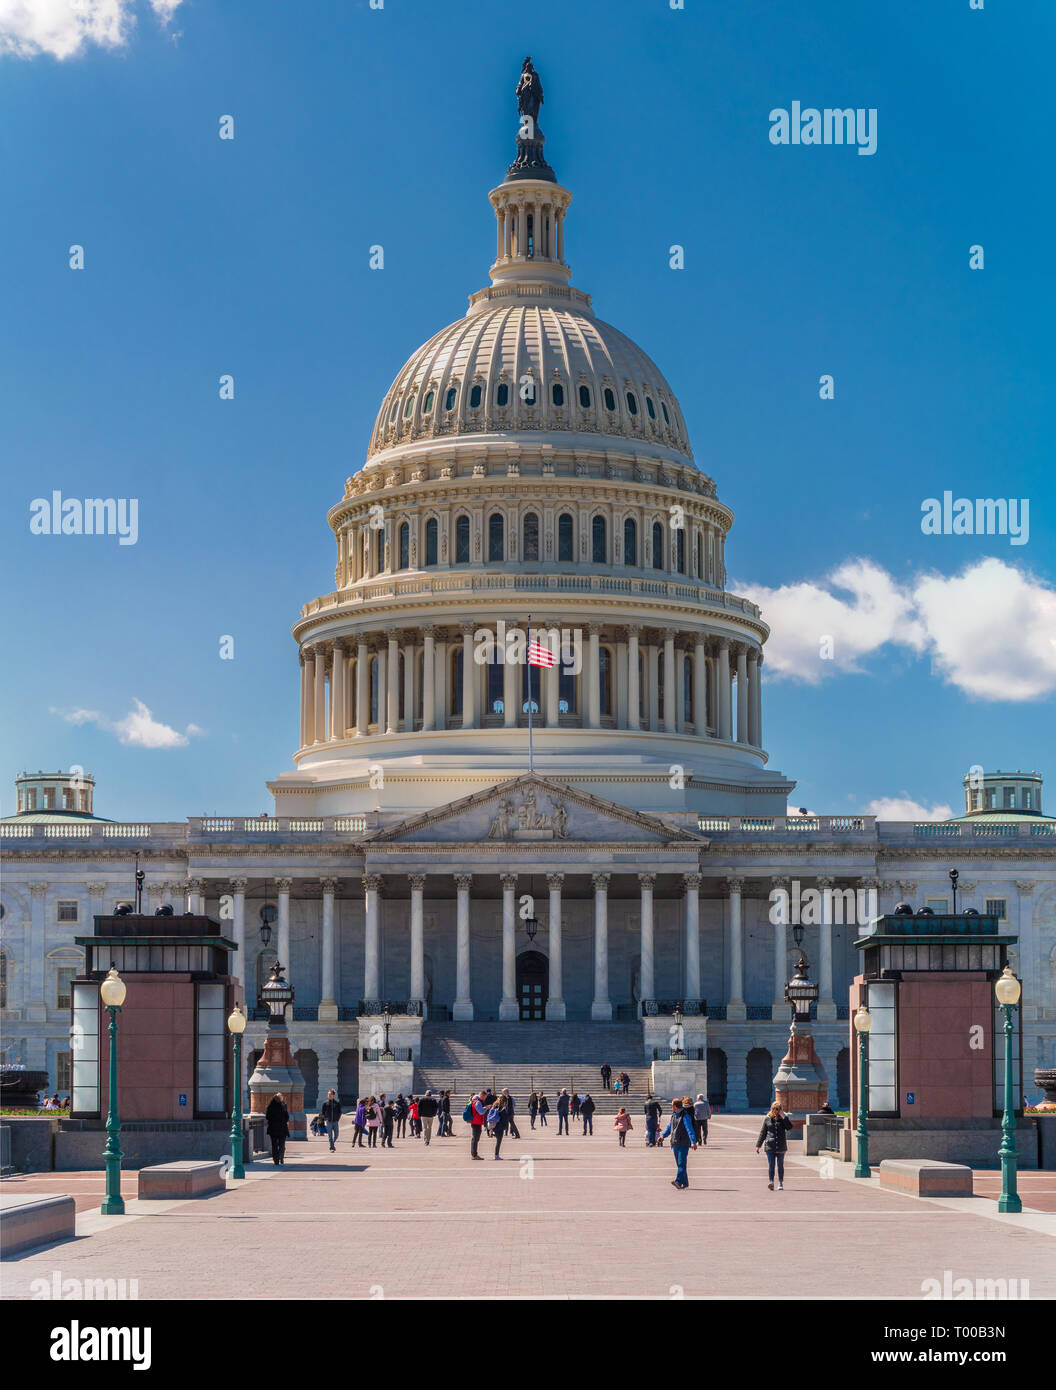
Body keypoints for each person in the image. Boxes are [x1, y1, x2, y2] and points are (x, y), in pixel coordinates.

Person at [660, 1097, 698, 1189]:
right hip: (675, 1142)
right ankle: (685, 1183)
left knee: (681, 1163)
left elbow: (690, 1129)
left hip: (683, 1143)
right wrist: (663, 1136)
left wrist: (693, 1141)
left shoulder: (685, 1116)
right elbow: (670, 1127)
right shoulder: (673, 1115)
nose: (671, 1107)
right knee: (680, 1164)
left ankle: (678, 1181)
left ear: (675, 1106)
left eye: (672, 1105)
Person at [756, 1102, 793, 1190]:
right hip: (770, 1146)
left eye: (777, 1109)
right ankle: (771, 1182)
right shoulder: (767, 1119)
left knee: (780, 1165)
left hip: (781, 1146)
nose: (775, 1111)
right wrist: (758, 1145)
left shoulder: (783, 1119)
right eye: (773, 1109)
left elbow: (789, 1127)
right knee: (771, 1165)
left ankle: (780, 1182)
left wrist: (784, 1117)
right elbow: (763, 1133)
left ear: (780, 1110)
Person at [265, 1092, 290, 1166]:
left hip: (273, 1128)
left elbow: (267, 1117)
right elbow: (287, 1117)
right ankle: (281, 1156)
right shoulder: (283, 1106)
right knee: (282, 1144)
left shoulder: (270, 1106)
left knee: (274, 1144)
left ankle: (276, 1159)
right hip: (282, 1128)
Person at [470, 1089, 488, 1159]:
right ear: (482, 1096)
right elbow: (481, 1112)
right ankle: (474, 1155)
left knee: (475, 1138)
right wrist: (486, 1107)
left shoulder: (476, 1101)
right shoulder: (478, 1102)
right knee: (475, 1139)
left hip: (476, 1122)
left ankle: (474, 1154)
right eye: (485, 1097)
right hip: (476, 1122)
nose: (485, 1099)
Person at [489, 1095, 509, 1159]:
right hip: (500, 1126)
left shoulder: (494, 1106)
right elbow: (504, 1118)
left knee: (498, 1139)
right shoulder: (501, 1108)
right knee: (499, 1141)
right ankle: (496, 1155)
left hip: (494, 1125)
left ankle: (492, 1133)